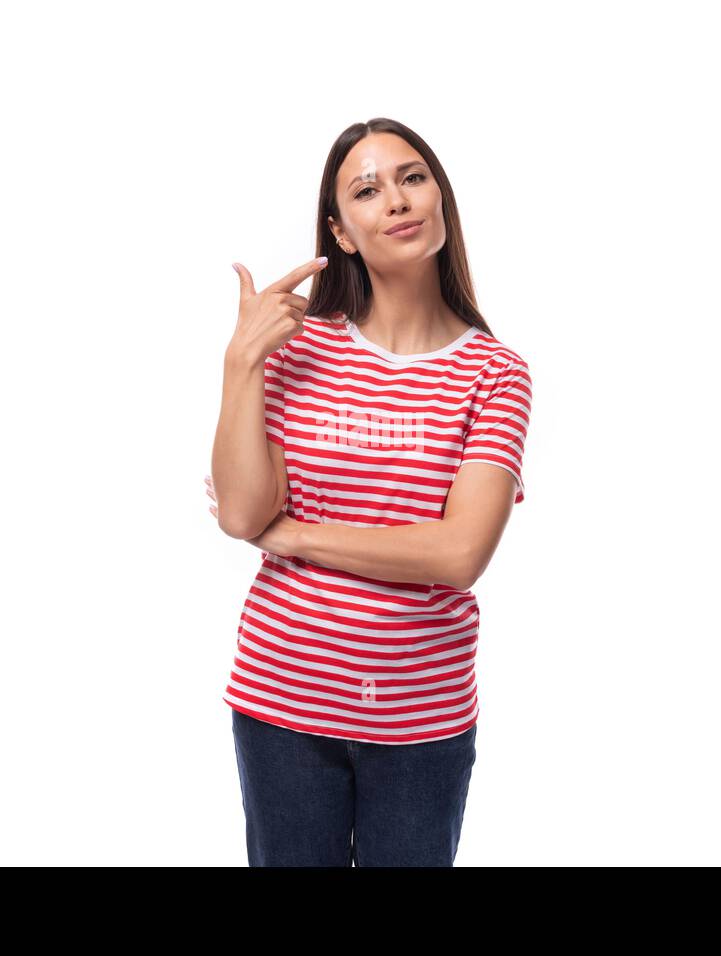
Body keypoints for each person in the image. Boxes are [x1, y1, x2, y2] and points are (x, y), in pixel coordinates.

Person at [207, 118, 532, 867]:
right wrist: (241, 363)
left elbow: (456, 555)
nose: (396, 200)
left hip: (423, 718)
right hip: (282, 700)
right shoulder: (300, 349)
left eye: (412, 178)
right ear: (341, 233)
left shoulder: (495, 374)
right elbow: (244, 514)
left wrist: (297, 537)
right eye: (367, 189)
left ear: (441, 200)